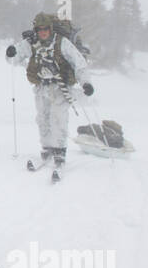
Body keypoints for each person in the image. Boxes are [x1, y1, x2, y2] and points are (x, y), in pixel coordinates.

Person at [5, 12, 94, 176]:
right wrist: (11, 53)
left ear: (51, 29)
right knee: (43, 119)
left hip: (60, 88)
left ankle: (59, 152)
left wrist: (86, 83)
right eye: (40, 29)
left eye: (46, 29)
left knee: (58, 118)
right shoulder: (30, 42)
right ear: (36, 29)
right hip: (41, 87)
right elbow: (14, 58)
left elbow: (79, 63)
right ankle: (47, 149)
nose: (43, 32)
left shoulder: (62, 43)